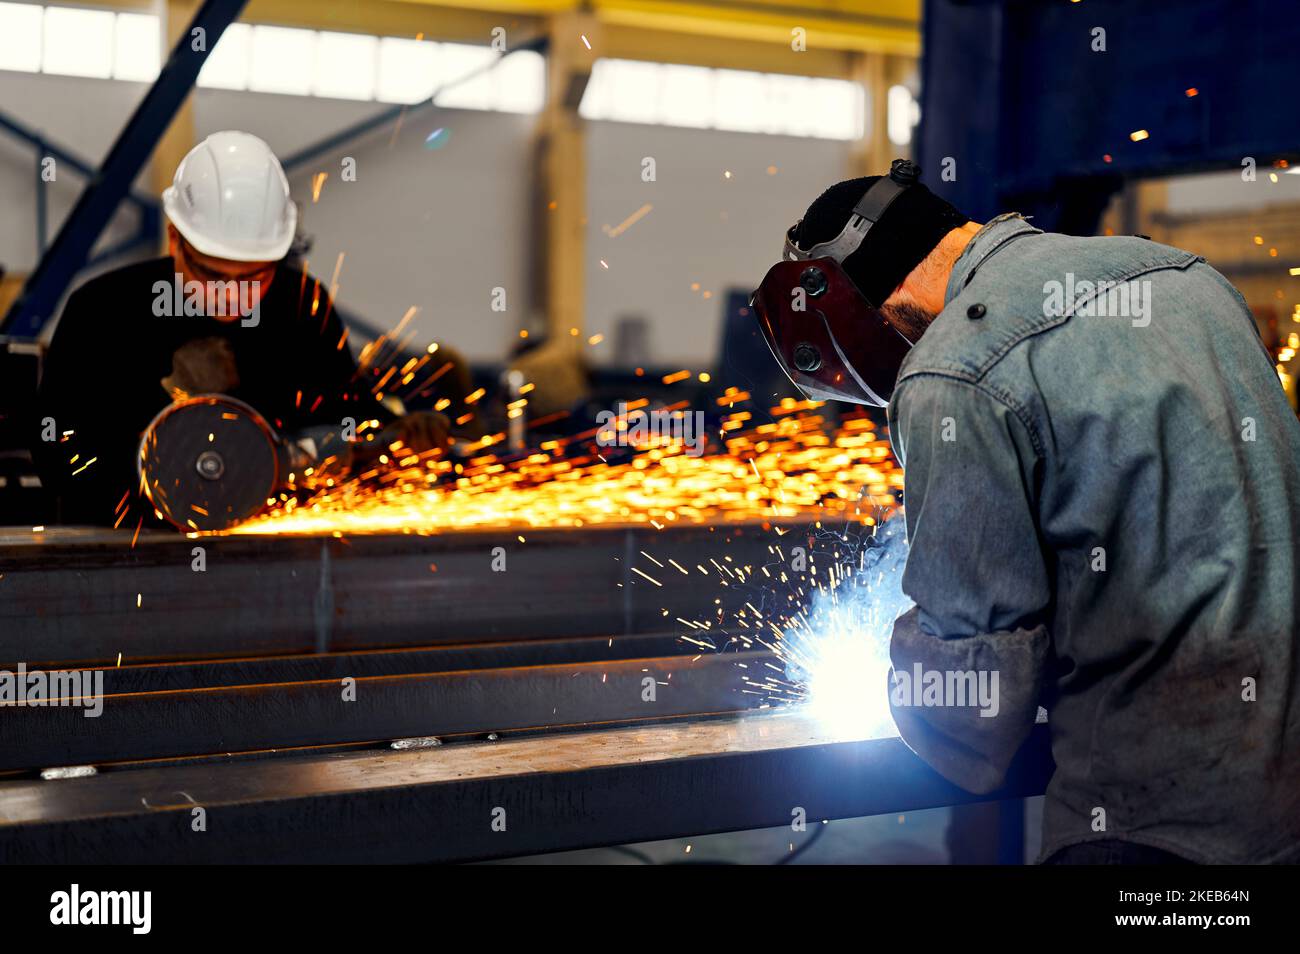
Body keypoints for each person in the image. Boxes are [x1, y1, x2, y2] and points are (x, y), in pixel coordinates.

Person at [751, 159, 1300, 864]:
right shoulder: (1184, 277)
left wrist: (913, 687)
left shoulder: (954, 367)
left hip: (1151, 829)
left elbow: (974, 692)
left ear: (862, 305)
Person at [34, 130, 447, 526]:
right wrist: (173, 434)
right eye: (213, 276)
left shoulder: (302, 305)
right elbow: (57, 453)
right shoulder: (103, 310)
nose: (234, 296)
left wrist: (397, 435)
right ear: (175, 238)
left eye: (254, 278)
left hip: (277, 550)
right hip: (134, 559)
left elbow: (349, 415)